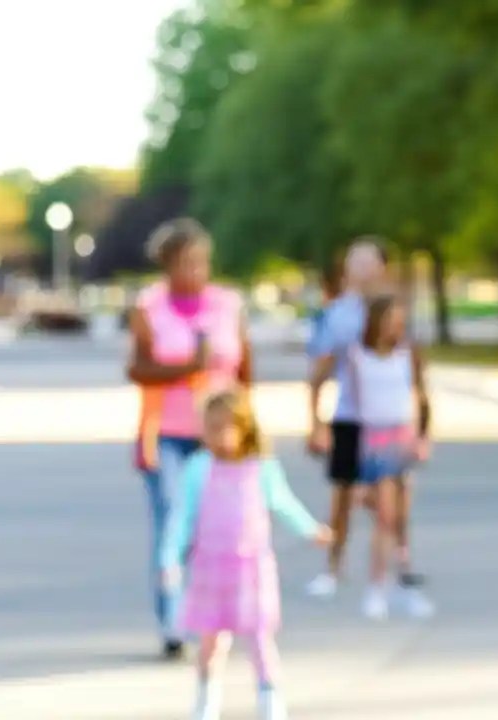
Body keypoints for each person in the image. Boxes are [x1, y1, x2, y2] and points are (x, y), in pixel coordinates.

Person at [161, 389, 332, 720]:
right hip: (211, 569)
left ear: (245, 428)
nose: (219, 436)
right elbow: (182, 516)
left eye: (226, 427)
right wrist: (169, 557)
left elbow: (283, 503)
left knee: (260, 639)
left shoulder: (260, 467)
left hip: (251, 569)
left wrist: (311, 529)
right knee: (211, 643)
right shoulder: (199, 468)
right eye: (211, 428)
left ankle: (271, 701)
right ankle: (205, 702)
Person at [128, 218, 252, 660]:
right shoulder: (149, 307)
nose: (195, 272)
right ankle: (173, 621)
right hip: (168, 433)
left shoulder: (227, 305)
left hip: (219, 435)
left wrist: (248, 427)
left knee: (215, 528)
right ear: (166, 266)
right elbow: (137, 369)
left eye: (201, 262)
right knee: (172, 525)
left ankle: (211, 617)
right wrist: (187, 368)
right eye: (185, 264)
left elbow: (243, 370)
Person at [304, 239, 432, 616]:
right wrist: (315, 422)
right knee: (343, 493)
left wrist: (421, 431)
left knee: (397, 496)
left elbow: (416, 373)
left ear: (382, 268)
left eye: (367, 262)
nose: (360, 269)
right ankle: (333, 566)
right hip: (350, 416)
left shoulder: (397, 312)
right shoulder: (338, 315)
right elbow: (321, 369)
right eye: (353, 262)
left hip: (391, 422)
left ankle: (401, 562)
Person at [347, 294, 433, 619]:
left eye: (400, 321)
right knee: (384, 515)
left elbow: (422, 397)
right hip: (374, 440)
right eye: (390, 320)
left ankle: (402, 580)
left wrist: (424, 436)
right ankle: (377, 585)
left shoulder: (408, 354)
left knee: (399, 519)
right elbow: (354, 409)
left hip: (402, 437)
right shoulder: (358, 356)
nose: (395, 327)